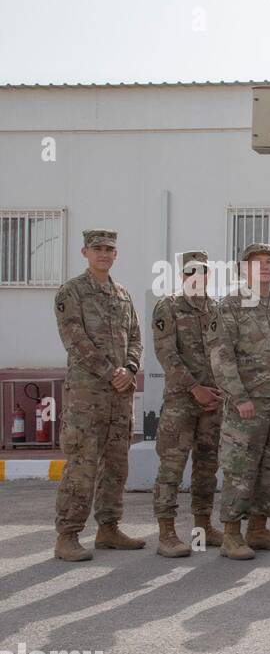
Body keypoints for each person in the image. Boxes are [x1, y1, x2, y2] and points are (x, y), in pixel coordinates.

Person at [52, 229, 144, 561]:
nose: (104, 254)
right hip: (86, 396)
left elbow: (135, 336)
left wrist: (131, 369)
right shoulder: (71, 292)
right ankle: (68, 535)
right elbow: (75, 340)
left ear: (116, 254)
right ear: (84, 252)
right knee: (82, 464)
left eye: (109, 249)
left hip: (120, 396)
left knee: (116, 464)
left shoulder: (122, 294)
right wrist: (111, 372)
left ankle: (108, 529)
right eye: (98, 249)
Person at [209, 243, 270, 559]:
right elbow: (223, 356)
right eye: (256, 261)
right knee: (241, 468)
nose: (264, 266)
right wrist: (239, 397)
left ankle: (259, 529)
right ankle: (232, 535)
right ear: (243, 268)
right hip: (247, 405)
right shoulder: (231, 306)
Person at [152, 250, 223, 557]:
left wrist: (219, 393)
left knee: (207, 468)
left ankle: (201, 529)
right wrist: (196, 389)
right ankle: (166, 533)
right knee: (172, 466)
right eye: (191, 271)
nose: (198, 277)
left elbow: (224, 353)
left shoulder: (216, 309)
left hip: (213, 402)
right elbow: (166, 354)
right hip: (182, 401)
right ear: (182, 276)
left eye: (204, 271)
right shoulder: (168, 306)